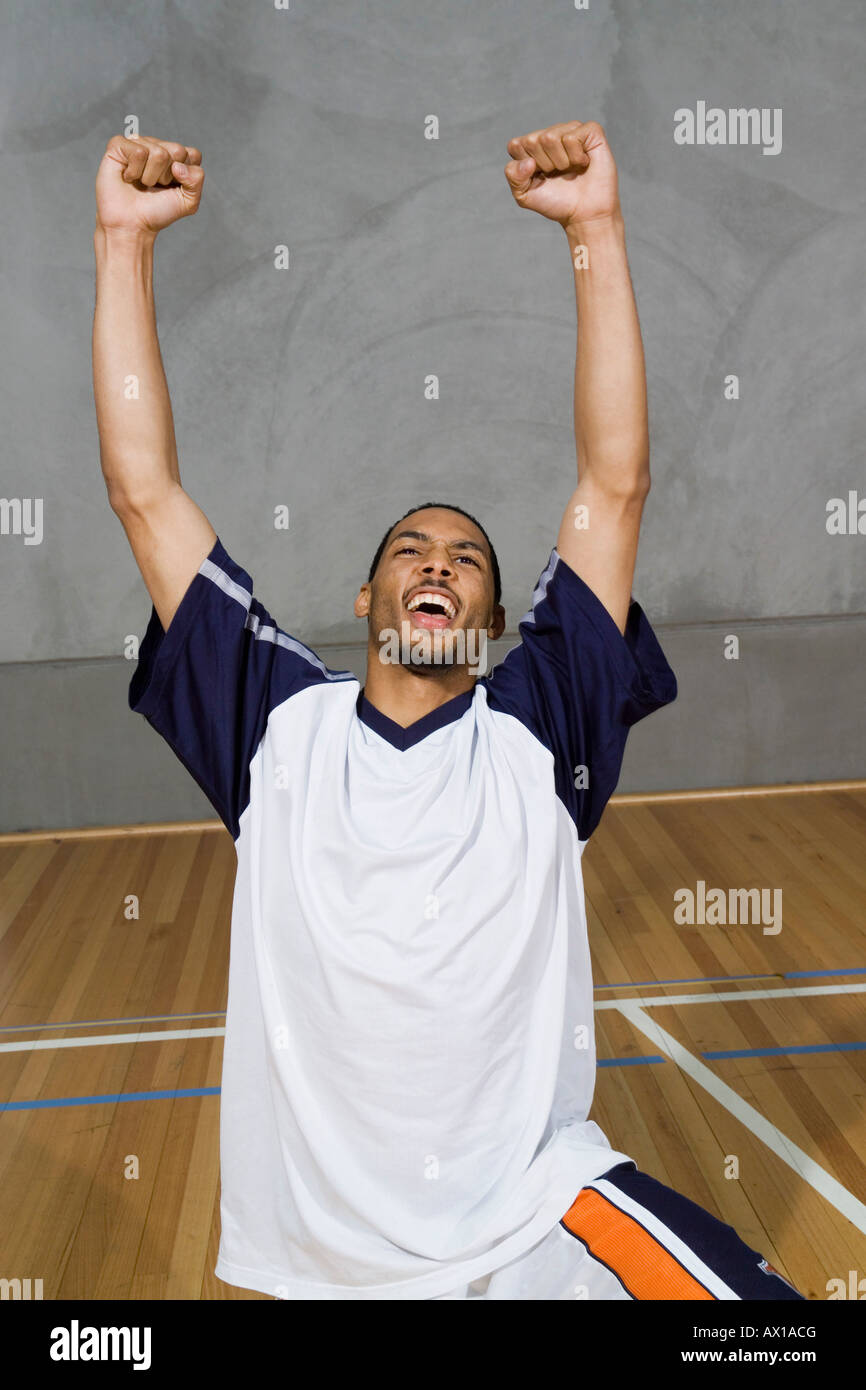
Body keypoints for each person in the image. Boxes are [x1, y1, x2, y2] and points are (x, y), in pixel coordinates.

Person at [92, 121, 805, 1300]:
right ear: (367, 595)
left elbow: (613, 482)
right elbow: (142, 491)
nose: (439, 561)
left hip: (537, 1220)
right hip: (332, 1268)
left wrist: (593, 231)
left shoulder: (539, 726)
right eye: (412, 548)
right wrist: (123, 244)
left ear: (489, 605)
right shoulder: (275, 726)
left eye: (468, 555)